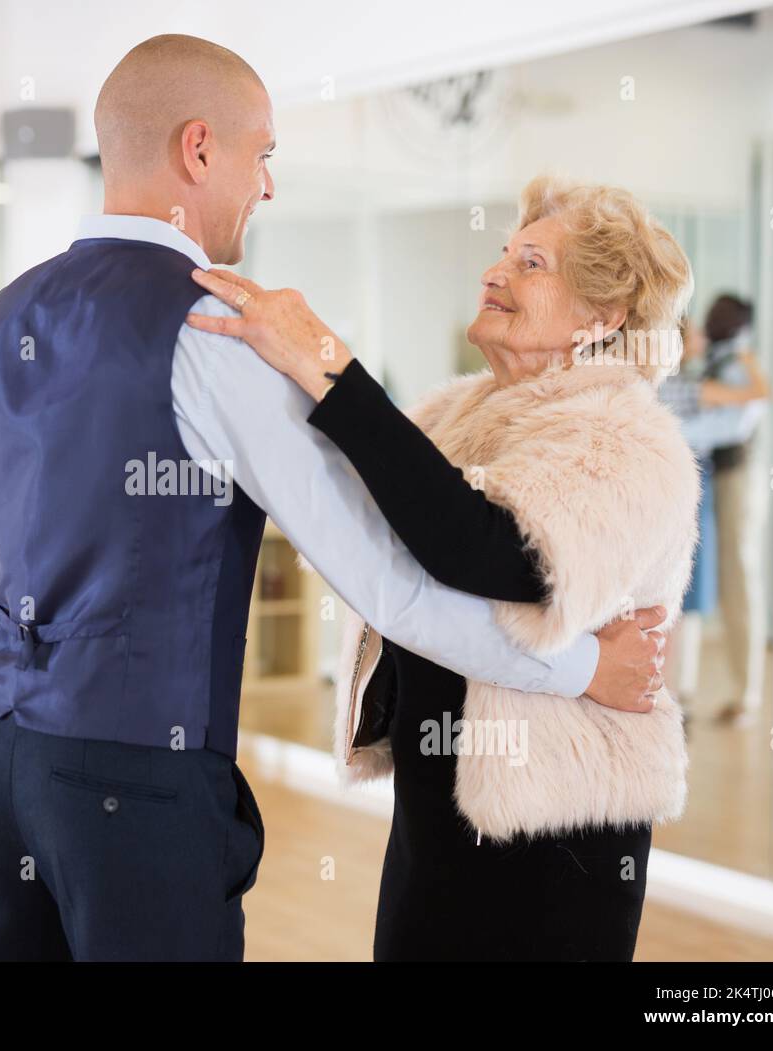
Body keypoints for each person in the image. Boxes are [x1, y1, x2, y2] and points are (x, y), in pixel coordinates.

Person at [0, 36, 663, 963]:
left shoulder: (2, 318)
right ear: (200, 150)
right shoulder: (220, 327)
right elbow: (389, 584)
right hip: (135, 776)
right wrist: (583, 669)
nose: (266, 187)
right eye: (261, 155)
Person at [188, 176, 697, 961]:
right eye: (502, 255)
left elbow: (487, 550)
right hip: (434, 812)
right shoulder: (454, 410)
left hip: (556, 831)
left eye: (531, 263)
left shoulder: (628, 436)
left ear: (603, 316)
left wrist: (326, 357)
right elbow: (362, 501)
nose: (494, 272)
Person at [659, 315, 767, 722]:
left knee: (686, 591)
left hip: (691, 488)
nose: (703, 336)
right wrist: (745, 355)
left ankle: (680, 691)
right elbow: (758, 393)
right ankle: (679, 692)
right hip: (689, 491)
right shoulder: (683, 387)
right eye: (695, 333)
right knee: (689, 590)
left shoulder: (680, 382)